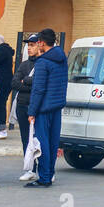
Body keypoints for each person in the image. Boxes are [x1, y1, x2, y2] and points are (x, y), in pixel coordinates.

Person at [26, 28, 67, 188]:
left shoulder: (43, 62)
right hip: (57, 107)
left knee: (42, 144)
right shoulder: (62, 58)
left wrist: (32, 112)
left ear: (41, 43)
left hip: (43, 109)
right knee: (52, 143)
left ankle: (43, 178)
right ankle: (49, 174)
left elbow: (38, 89)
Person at [10, 34, 42, 181]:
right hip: (22, 106)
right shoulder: (24, 65)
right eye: (28, 45)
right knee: (25, 139)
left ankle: (43, 168)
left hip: (36, 107)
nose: (29, 48)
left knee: (39, 139)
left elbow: (40, 84)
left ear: (40, 46)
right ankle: (30, 168)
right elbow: (14, 83)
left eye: (33, 45)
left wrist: (26, 81)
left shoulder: (43, 64)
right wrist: (28, 84)